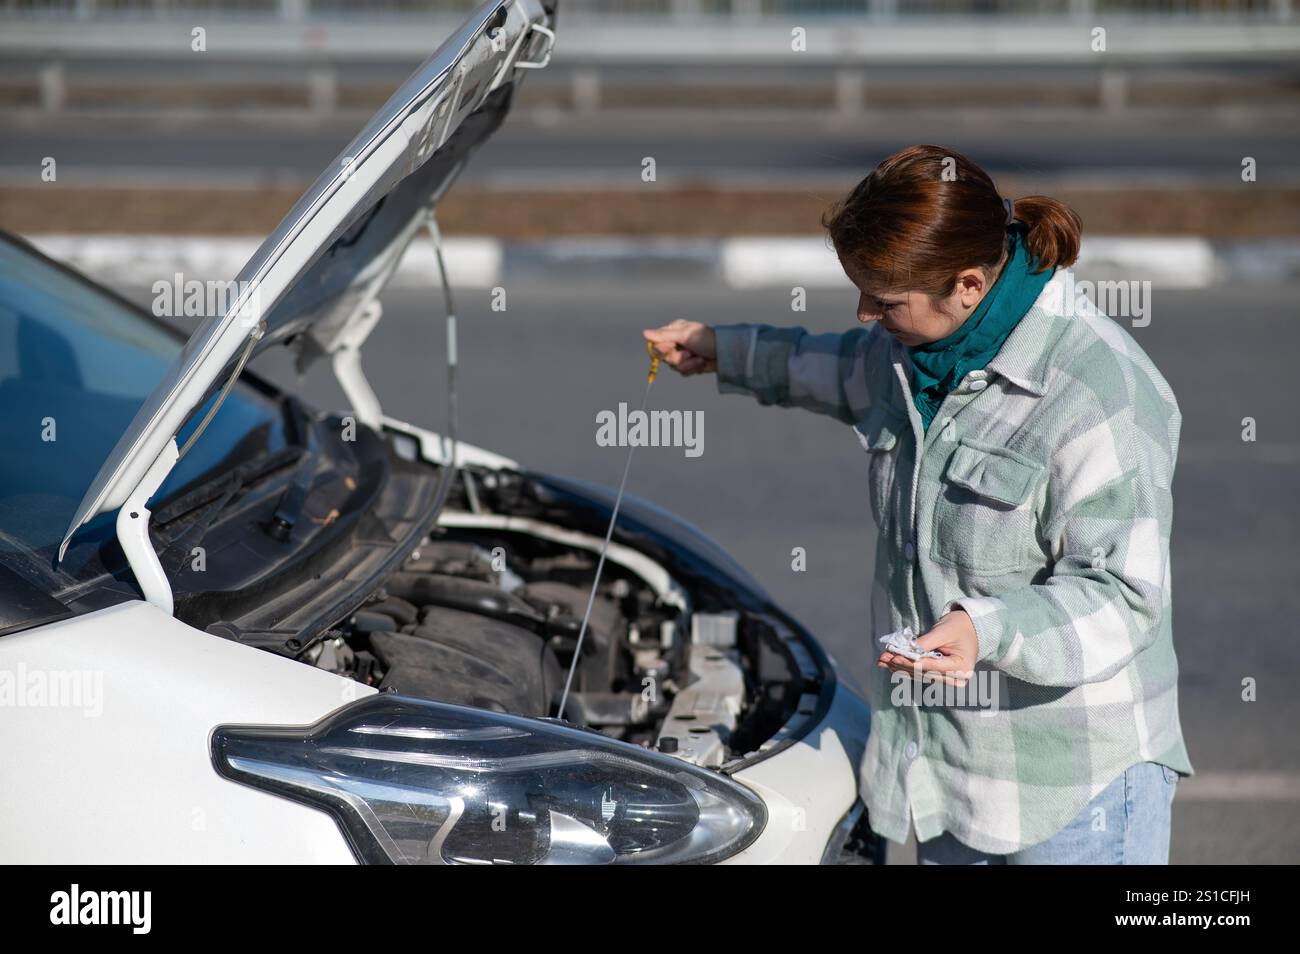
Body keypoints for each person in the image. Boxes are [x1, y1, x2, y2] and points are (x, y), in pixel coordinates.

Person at [642, 144, 1192, 865]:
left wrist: (983, 629)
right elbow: (841, 369)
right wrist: (726, 351)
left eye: (885, 299)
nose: (866, 313)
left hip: (1072, 795)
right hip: (946, 780)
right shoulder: (920, 349)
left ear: (966, 283)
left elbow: (1125, 597)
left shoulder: (1099, 394)